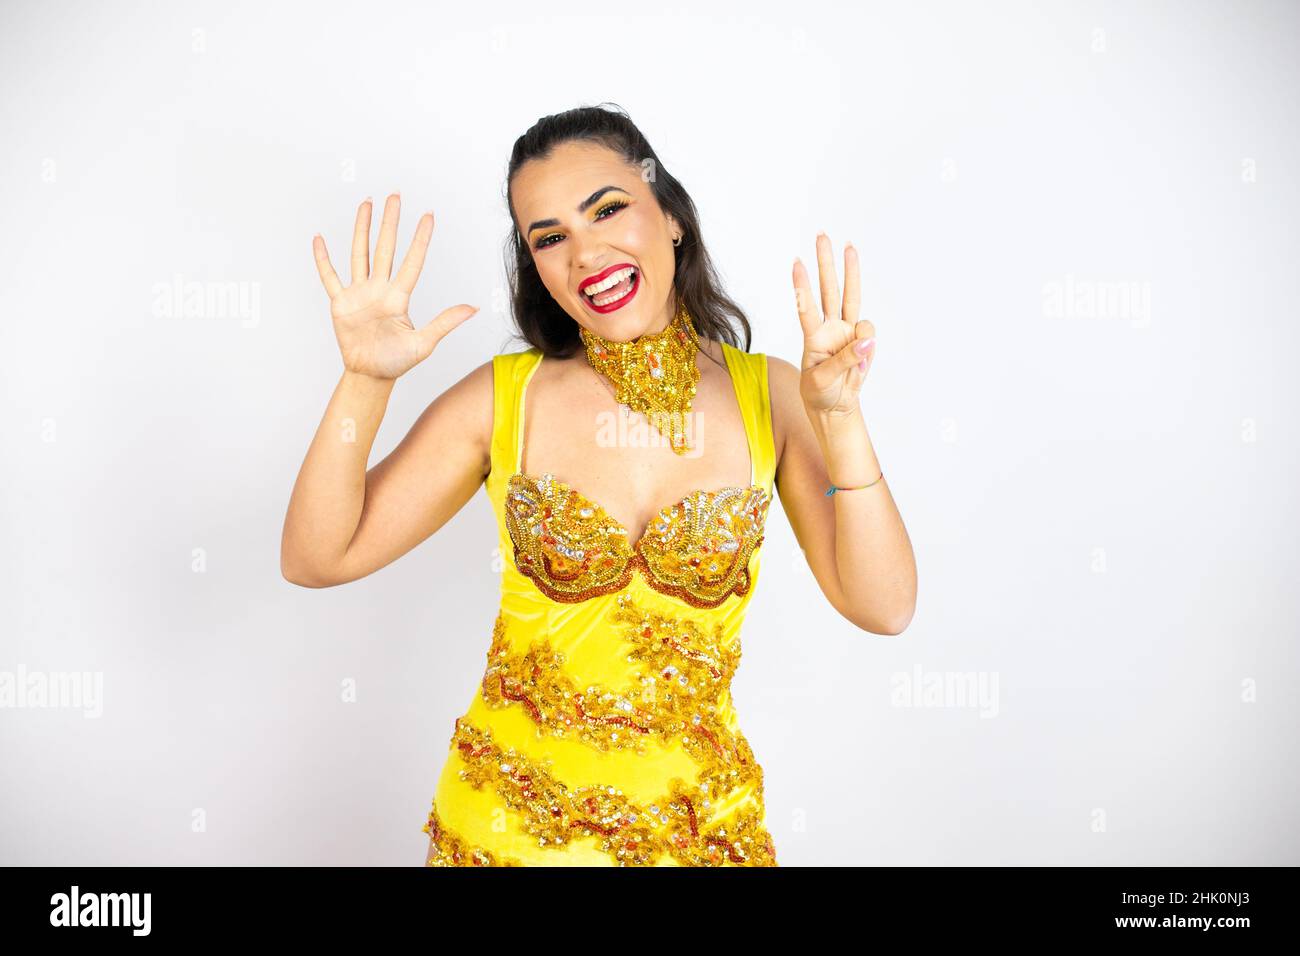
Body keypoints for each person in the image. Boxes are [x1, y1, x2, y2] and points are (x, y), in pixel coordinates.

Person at [281, 104, 917, 866]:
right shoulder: (502, 399)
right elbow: (317, 558)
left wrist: (840, 417)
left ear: (672, 217)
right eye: (549, 238)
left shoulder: (774, 395)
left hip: (706, 840)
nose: (584, 253)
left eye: (607, 209)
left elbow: (884, 607)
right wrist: (362, 383)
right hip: (505, 841)